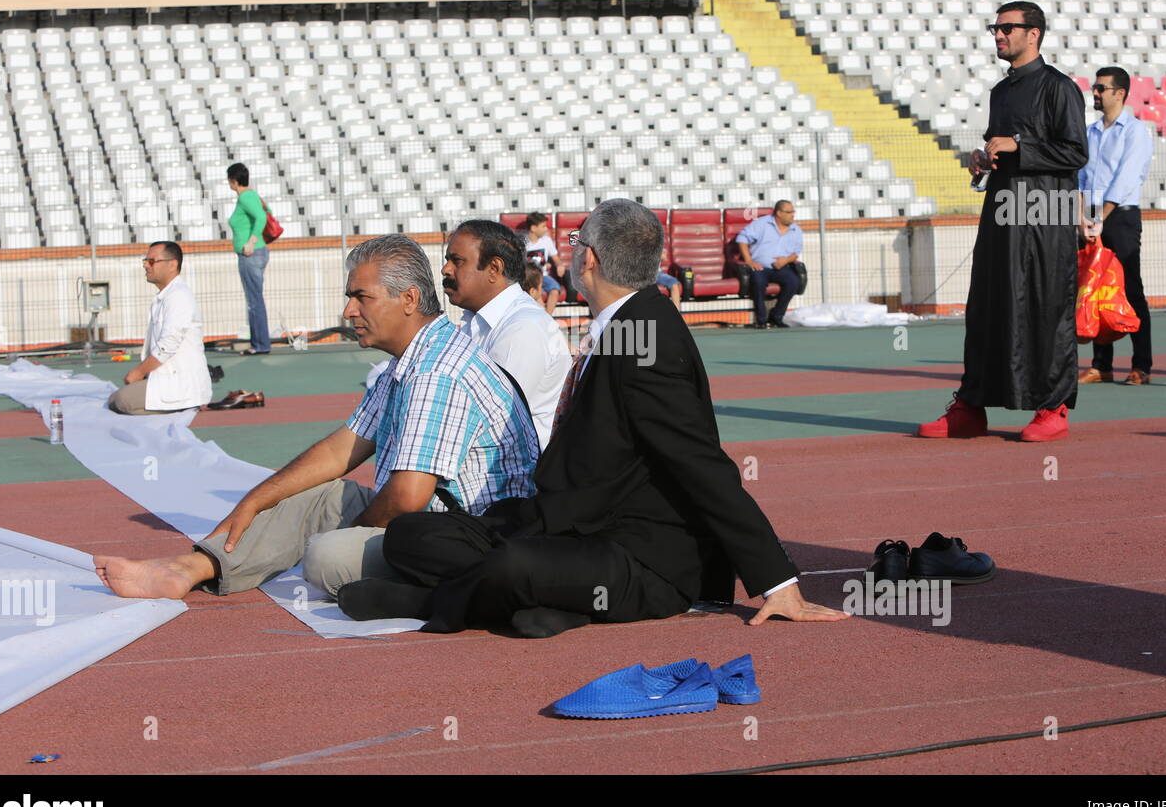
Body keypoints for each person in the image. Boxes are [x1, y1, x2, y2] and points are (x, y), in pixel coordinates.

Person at [334, 199, 851, 638]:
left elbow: (700, 463)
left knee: (516, 565)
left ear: (589, 260)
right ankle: (536, 605)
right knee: (414, 535)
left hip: (640, 557)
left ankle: (436, 606)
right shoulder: (623, 324)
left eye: (578, 239)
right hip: (573, 523)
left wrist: (777, 582)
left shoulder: (646, 339)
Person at [94, 235, 539, 601]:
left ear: (409, 299)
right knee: (316, 494)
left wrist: (352, 533)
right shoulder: (414, 358)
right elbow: (341, 448)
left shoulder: (436, 371)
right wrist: (256, 498)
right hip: (437, 523)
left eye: (360, 297)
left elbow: (406, 497)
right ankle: (188, 567)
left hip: (472, 538)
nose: (348, 312)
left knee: (326, 557)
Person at [920, 1, 1088, 442]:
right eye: (995, 28)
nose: (998, 35)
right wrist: (986, 160)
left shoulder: (1060, 88)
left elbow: (1075, 153)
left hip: (1046, 217)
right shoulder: (1001, 91)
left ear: (1033, 34)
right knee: (988, 307)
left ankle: (1052, 408)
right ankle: (971, 407)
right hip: (1002, 212)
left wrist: (1018, 147)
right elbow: (1008, 151)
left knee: (1044, 306)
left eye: (1007, 28)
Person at [442, 219, 571, 451]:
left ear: (494, 269)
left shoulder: (523, 328)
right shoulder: (480, 320)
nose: (446, 269)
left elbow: (484, 420)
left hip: (522, 480)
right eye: (447, 260)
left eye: (457, 261)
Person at [1077, 66, 1155, 385]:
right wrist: (1083, 216)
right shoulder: (1090, 131)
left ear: (1119, 93)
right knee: (1094, 288)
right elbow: (1081, 176)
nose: (1095, 93)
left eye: (1101, 88)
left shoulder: (1136, 131)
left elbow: (1126, 177)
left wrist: (1099, 216)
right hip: (1093, 217)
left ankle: (1142, 365)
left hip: (1120, 217)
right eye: (1095, 88)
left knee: (1131, 289)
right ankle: (1101, 365)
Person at [107, 241, 213, 415]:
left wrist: (138, 372)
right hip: (167, 378)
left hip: (179, 383)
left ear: (172, 265)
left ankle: (180, 408)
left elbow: (169, 343)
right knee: (114, 400)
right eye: (145, 261)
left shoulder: (179, 296)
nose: (145, 265)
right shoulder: (167, 296)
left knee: (121, 401)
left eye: (151, 261)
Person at [226, 162, 271, 356]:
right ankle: (259, 342)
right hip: (254, 254)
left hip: (251, 254)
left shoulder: (245, 197)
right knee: (254, 299)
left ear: (233, 181)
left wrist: (251, 242)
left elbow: (261, 217)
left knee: (254, 300)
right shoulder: (251, 196)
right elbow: (265, 212)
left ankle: (260, 344)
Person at [736, 200, 802, 328]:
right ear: (779, 213)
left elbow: (796, 253)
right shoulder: (762, 224)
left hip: (782, 267)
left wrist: (785, 260)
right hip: (760, 267)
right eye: (789, 212)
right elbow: (742, 239)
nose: (792, 215)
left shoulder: (796, 230)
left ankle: (776, 316)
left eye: (793, 212)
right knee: (758, 281)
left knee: (793, 282)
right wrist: (749, 261)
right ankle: (761, 319)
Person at [521, 212, 564, 315]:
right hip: (530, 277)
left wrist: (559, 265)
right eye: (543, 226)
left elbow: (556, 258)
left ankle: (547, 317)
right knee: (537, 293)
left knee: (555, 289)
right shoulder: (523, 243)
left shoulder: (546, 241)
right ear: (534, 228)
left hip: (544, 276)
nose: (546, 229)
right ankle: (543, 318)